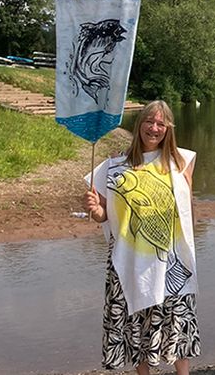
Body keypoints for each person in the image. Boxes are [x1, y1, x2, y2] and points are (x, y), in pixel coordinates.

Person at [83, 100, 200, 375]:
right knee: (136, 324)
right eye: (149, 121)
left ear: (168, 129)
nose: (154, 128)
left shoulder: (182, 162)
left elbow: (188, 208)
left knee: (177, 323)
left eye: (161, 123)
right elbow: (104, 216)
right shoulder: (115, 166)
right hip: (129, 259)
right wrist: (96, 208)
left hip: (171, 260)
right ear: (139, 125)